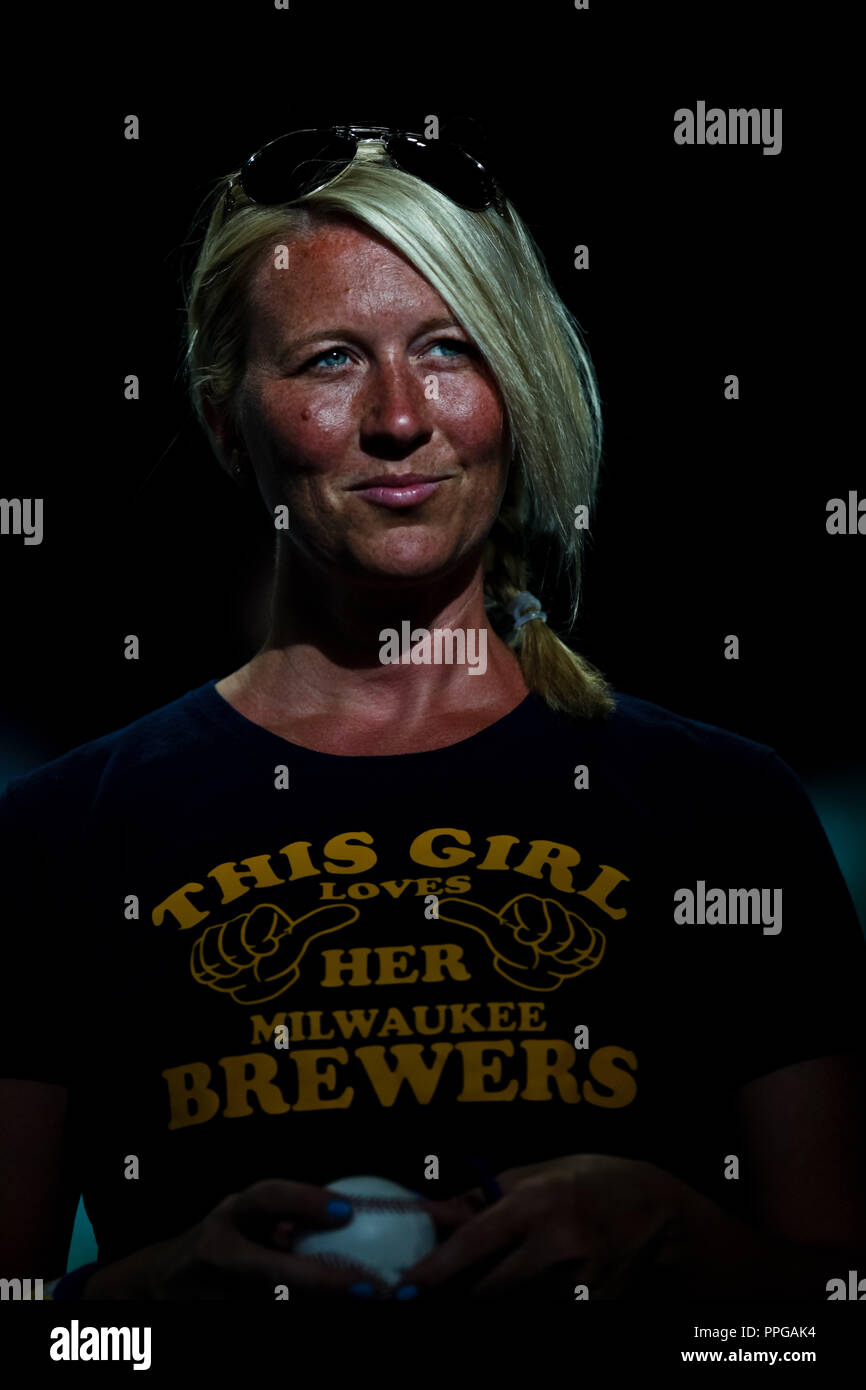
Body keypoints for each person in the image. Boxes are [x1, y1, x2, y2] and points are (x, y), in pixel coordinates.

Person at [1, 126, 864, 1303]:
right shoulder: (64, 837)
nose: (400, 417)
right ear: (223, 419)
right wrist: (159, 1294)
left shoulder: (723, 810)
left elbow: (830, 1324)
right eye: (328, 362)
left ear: (514, 389)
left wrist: (670, 1234)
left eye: (448, 349)